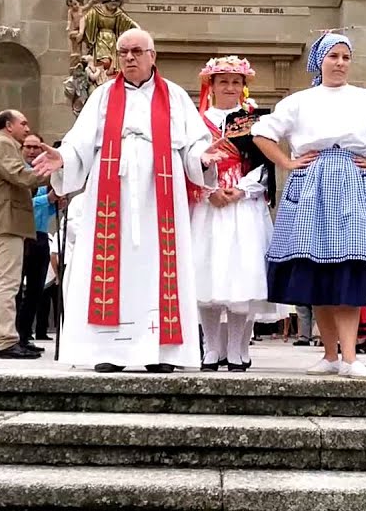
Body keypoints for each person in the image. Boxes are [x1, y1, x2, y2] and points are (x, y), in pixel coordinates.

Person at [33, 28, 223, 373]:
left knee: (159, 267)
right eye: (124, 53)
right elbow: (79, 143)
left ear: (153, 55)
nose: (130, 58)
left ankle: (162, 352)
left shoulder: (176, 97)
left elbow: (194, 144)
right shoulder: (104, 96)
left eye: (137, 51)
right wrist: (63, 159)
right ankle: (109, 352)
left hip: (159, 195)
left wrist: (202, 158)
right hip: (113, 193)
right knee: (111, 266)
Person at [251, 32, 366, 380]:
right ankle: (331, 355)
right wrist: (286, 163)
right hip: (312, 183)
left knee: (348, 264)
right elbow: (261, 132)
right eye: (333, 56)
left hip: (353, 181)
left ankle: (350, 356)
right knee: (315, 269)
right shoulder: (300, 101)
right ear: (319, 61)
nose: (340, 63)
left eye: (346, 57)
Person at [189, 56, 277, 372]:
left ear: (243, 86)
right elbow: (187, 160)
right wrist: (209, 190)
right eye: (223, 81)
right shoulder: (195, 121)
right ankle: (212, 348)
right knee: (207, 276)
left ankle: (239, 348)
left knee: (244, 275)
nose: (229, 87)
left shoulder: (254, 120)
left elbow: (265, 164)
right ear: (210, 85)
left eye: (235, 82)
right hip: (207, 204)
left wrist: (242, 189)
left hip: (244, 205)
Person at [0, 110, 48, 359]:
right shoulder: (3, 144)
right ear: (9, 125)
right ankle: (7, 340)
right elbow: (18, 174)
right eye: (23, 123)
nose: (27, 128)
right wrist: (51, 172)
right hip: (6, 220)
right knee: (8, 282)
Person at [18, 131, 56, 353]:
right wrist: (47, 200)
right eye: (28, 147)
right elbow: (23, 205)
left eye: (36, 147)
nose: (32, 151)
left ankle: (25, 335)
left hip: (40, 234)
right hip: (22, 235)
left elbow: (40, 211)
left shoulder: (42, 174)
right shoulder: (19, 172)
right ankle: (13, 336)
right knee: (15, 289)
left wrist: (54, 205)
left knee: (35, 290)